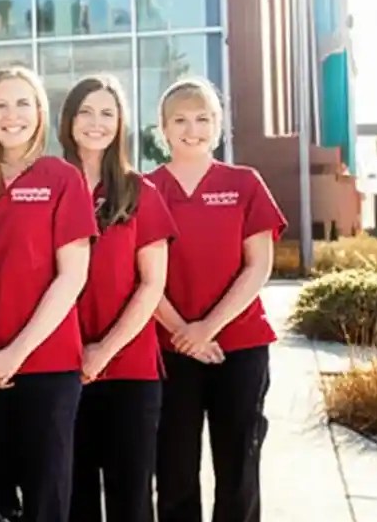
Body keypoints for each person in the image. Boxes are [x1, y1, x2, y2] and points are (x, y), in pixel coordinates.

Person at [0, 65, 97, 522]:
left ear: (39, 112)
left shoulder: (62, 178)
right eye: (0, 104)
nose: (11, 115)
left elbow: (71, 277)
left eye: (22, 103)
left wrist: (15, 354)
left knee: (45, 498)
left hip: (48, 367)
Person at [149, 78, 286, 522]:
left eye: (204, 118)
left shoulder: (245, 184)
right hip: (167, 351)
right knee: (173, 467)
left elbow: (258, 266)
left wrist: (205, 329)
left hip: (239, 347)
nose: (193, 129)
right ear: (163, 129)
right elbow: (139, 277)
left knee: (239, 465)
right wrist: (182, 333)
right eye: (181, 120)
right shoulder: (144, 189)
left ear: (219, 125)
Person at [58, 76, 177, 522]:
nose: (96, 123)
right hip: (59, 370)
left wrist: (102, 352)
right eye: (86, 112)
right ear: (68, 120)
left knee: (131, 498)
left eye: (107, 113)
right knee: (74, 497)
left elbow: (152, 284)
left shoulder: (138, 190)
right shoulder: (49, 186)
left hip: (129, 369)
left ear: (121, 123)